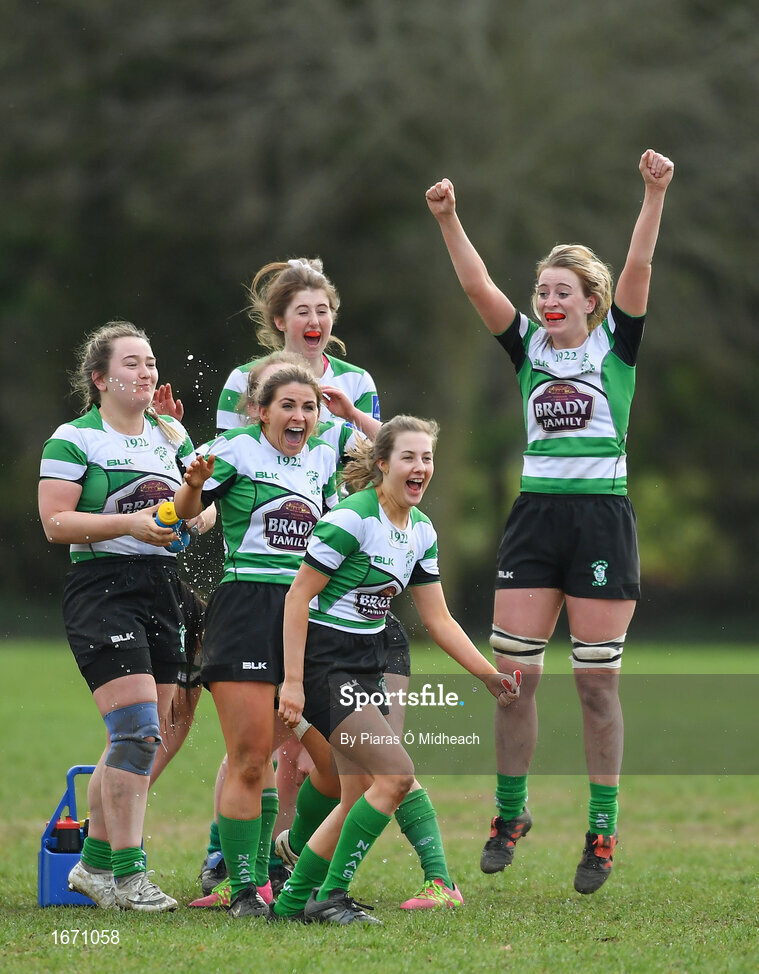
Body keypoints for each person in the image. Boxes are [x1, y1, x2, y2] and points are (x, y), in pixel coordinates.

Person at [425, 149, 675, 893]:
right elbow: (476, 283)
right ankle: (510, 813)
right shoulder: (527, 348)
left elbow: (637, 263)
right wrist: (447, 217)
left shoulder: (615, 344)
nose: (546, 299)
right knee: (513, 679)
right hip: (535, 519)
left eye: (561, 289)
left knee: (596, 688)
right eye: (540, 289)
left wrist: (652, 193)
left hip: (599, 521)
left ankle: (600, 833)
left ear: (591, 300)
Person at [273, 416, 519, 925]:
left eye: (427, 458)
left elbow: (439, 619)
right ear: (382, 464)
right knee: (396, 775)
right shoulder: (352, 519)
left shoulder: (421, 530)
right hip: (326, 665)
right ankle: (331, 896)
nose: (420, 467)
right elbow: (298, 598)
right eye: (409, 457)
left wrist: (487, 674)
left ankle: (294, 903)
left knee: (361, 791)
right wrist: (293, 683)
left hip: (366, 665)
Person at [38, 320, 198, 912]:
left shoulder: (171, 432)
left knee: (143, 736)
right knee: (134, 728)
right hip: (102, 588)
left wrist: (190, 520)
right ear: (100, 378)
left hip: (162, 587)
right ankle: (129, 874)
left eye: (151, 362)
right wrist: (131, 524)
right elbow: (56, 523)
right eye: (131, 363)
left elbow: (195, 509)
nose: (146, 372)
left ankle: (94, 867)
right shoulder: (74, 438)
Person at [173, 363, 340, 918]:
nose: (299, 416)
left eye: (308, 407)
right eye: (287, 406)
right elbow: (186, 509)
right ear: (260, 410)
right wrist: (194, 485)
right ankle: (244, 889)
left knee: (338, 766)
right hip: (247, 606)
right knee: (250, 759)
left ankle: (283, 856)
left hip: (307, 614)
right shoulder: (236, 450)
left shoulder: (323, 459)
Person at [216, 257, 379, 433]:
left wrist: (352, 415)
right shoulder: (243, 378)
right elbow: (222, 454)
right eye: (303, 312)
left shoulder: (357, 381)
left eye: (322, 311)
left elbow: (378, 454)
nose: (314, 321)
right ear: (280, 321)